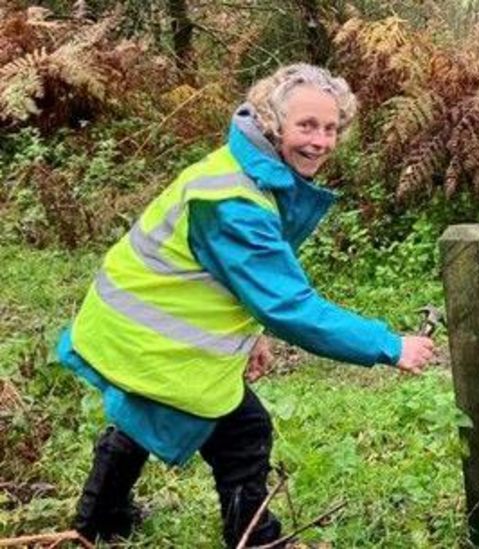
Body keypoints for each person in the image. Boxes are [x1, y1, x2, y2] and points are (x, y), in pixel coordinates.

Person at [56, 63, 435, 547]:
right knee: (242, 433)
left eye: (330, 128)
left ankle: (98, 522)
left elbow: (230, 276)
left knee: (143, 412)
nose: (320, 141)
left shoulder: (244, 171)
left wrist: (252, 333)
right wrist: (388, 345)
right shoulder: (232, 202)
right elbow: (289, 305)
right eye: (306, 126)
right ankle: (254, 539)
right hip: (145, 335)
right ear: (275, 124)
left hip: (130, 324)